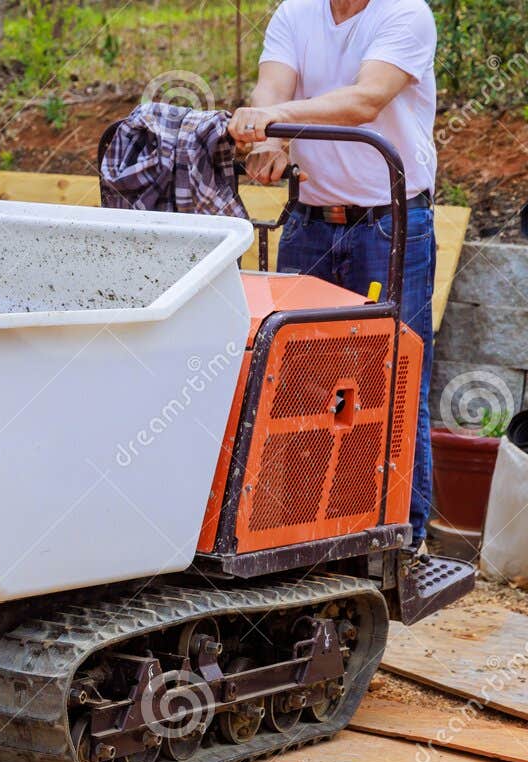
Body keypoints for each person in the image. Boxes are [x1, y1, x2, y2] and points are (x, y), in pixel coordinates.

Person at [230, 0, 438, 546]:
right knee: (297, 382)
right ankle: (295, 531)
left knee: (395, 375)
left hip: (389, 223)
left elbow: (366, 101)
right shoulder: (295, 13)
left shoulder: (405, 13)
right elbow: (269, 88)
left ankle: (403, 539)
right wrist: (271, 137)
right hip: (310, 220)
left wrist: (276, 121)